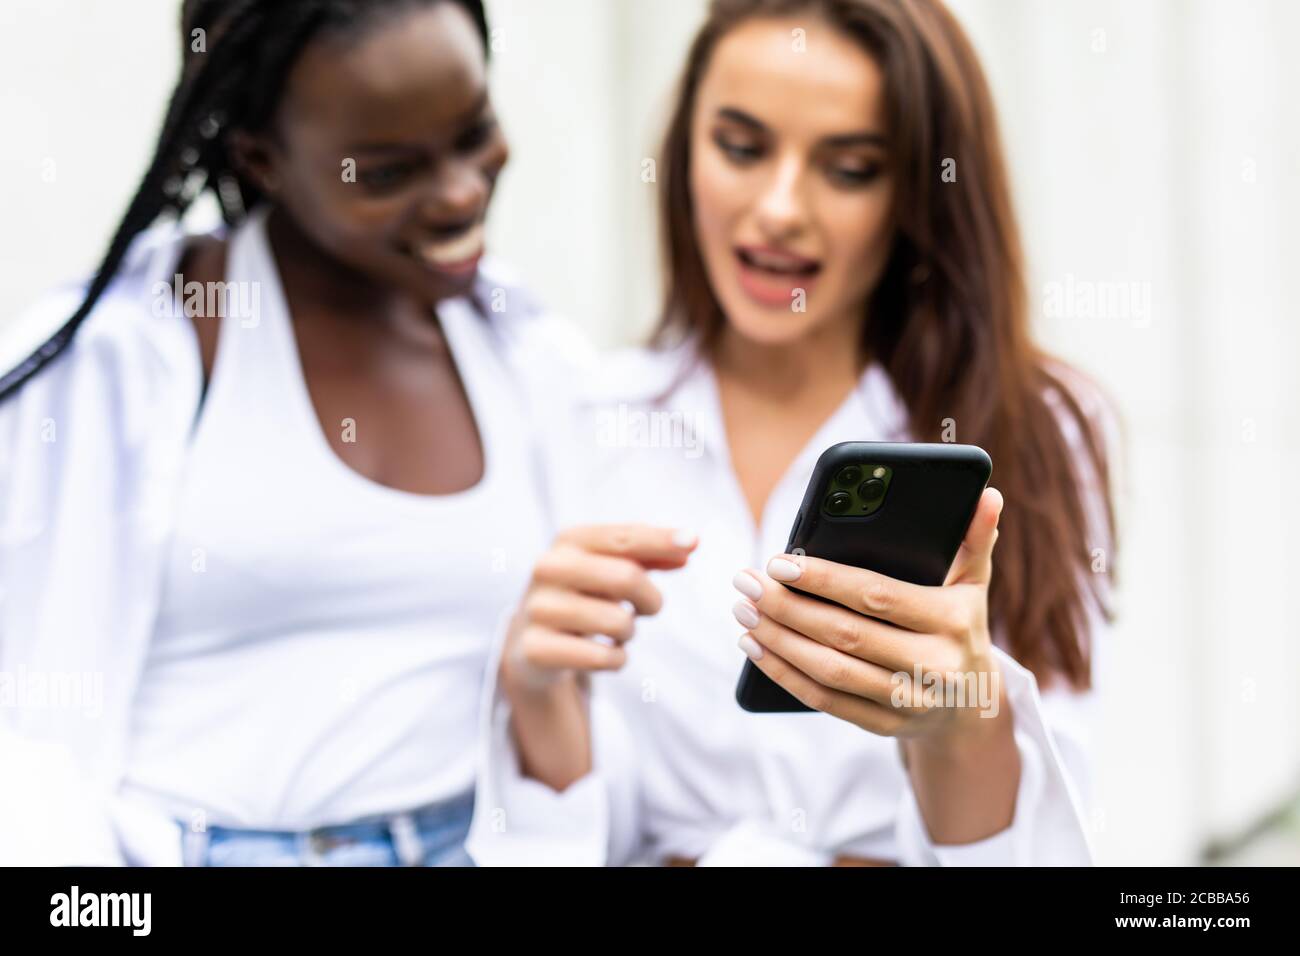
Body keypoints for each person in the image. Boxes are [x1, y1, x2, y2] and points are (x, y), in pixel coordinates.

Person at [468, 0, 1119, 866]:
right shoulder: (586, 418)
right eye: (741, 148)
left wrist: (956, 723)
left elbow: (1040, 850)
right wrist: (537, 691)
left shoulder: (1035, 430)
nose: (779, 208)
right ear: (684, 150)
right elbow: (581, 841)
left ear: (917, 191)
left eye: (847, 168)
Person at [0, 0, 582, 866]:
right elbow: (28, 731)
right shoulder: (121, 351)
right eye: (387, 172)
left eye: (475, 132)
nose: (462, 190)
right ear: (261, 160)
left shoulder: (530, 352)